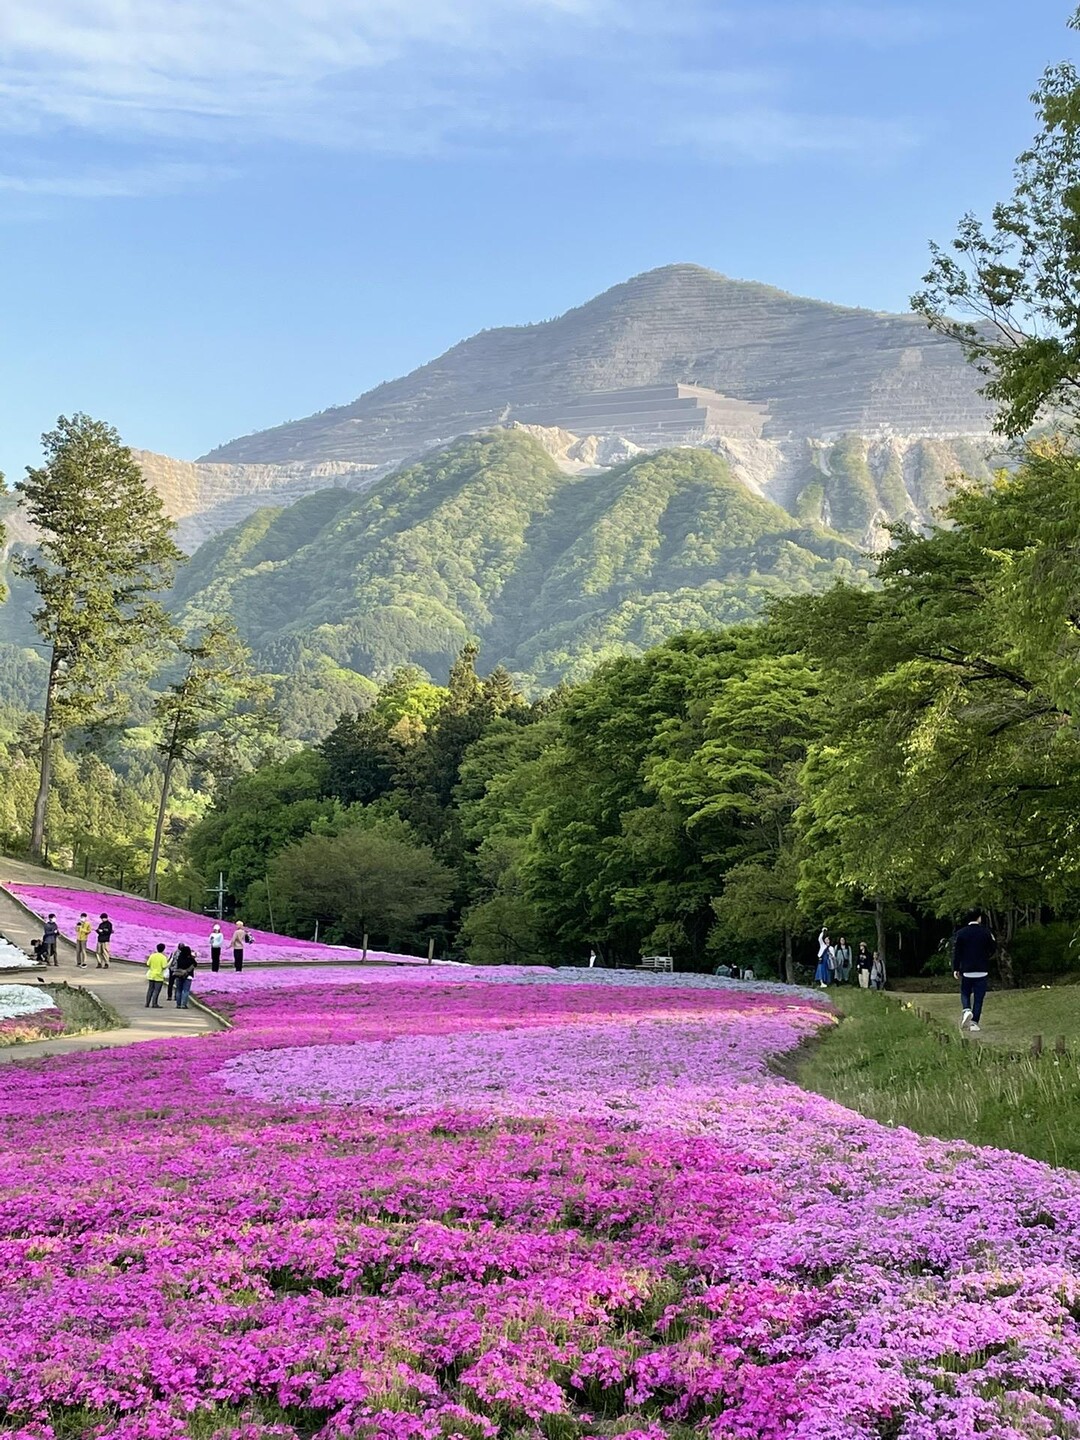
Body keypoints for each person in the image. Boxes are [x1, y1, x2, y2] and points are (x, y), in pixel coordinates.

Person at [952, 907, 996, 1034]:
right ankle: (974, 1022)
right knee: (979, 997)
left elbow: (957, 953)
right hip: (982, 969)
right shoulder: (986, 932)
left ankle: (966, 1009)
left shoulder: (961, 933)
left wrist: (956, 968)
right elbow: (993, 948)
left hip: (967, 969)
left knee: (965, 992)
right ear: (979, 918)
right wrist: (985, 956)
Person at [173, 944, 197, 1009]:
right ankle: (184, 1005)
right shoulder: (191, 959)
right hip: (188, 976)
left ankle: (178, 1004)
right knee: (186, 991)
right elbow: (195, 964)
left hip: (179, 975)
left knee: (178, 990)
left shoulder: (179, 958)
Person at [145, 944, 168, 1008]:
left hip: (151, 975)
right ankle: (154, 1003)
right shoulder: (163, 957)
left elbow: (148, 964)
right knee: (156, 990)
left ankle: (147, 1003)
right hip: (159, 976)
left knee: (150, 989)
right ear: (163, 949)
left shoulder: (152, 955)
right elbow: (164, 966)